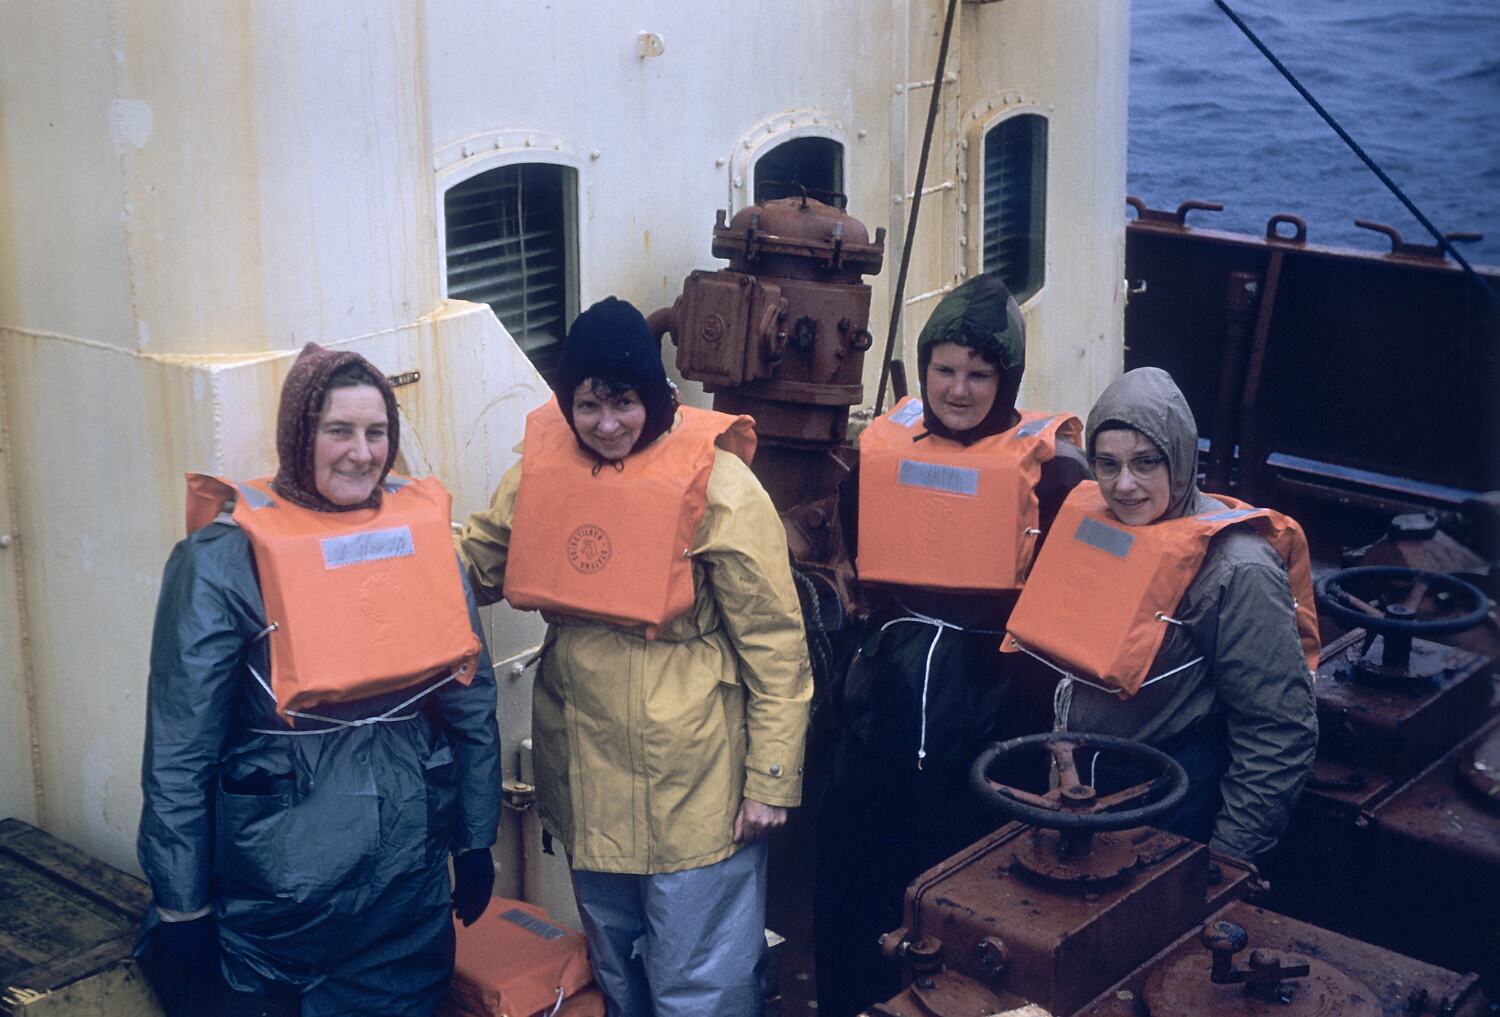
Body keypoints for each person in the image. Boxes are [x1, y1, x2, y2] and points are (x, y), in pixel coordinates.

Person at [457, 296, 813, 1017]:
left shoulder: (723, 488)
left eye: (624, 401)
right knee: (618, 975)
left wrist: (770, 778)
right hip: (588, 783)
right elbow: (474, 564)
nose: (608, 423)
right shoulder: (537, 478)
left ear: (656, 396)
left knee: (699, 988)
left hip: (698, 793)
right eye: (589, 404)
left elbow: (776, 643)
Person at [137, 343, 502, 1017]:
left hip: (405, 897)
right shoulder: (219, 562)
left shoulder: (425, 542)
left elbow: (471, 701)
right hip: (274, 912)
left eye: (376, 432)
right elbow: (178, 756)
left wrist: (477, 837)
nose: (361, 453)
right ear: (299, 433)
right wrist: (181, 905)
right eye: (339, 430)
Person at [813, 273, 1090, 1017]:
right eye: (944, 369)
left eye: (978, 373)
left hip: (992, 740)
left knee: (978, 924)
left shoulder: (1059, 479)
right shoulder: (874, 464)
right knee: (855, 902)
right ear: (923, 368)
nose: (958, 389)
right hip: (883, 732)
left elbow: (1073, 621)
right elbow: (859, 583)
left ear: (1007, 380)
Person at [1003, 366, 1319, 858]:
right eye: (1107, 465)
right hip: (1080, 789)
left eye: (1146, 463)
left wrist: (1228, 859)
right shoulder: (1097, 524)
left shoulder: (1239, 569)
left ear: (1180, 457)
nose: (1124, 485)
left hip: (1172, 805)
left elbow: (1278, 730)